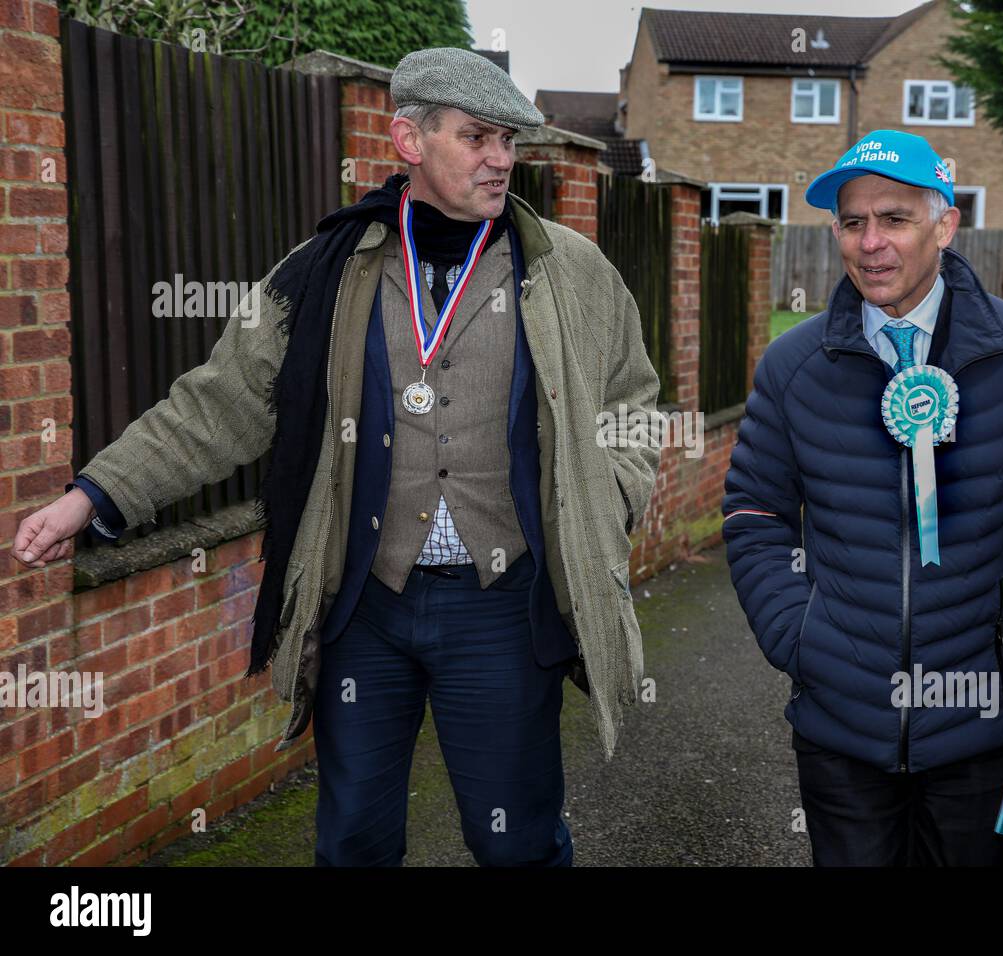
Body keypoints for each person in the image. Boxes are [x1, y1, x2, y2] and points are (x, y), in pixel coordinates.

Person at [12, 48, 661, 867]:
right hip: (365, 608)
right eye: (477, 137)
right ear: (408, 139)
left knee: (517, 840)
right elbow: (217, 404)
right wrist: (92, 497)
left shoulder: (569, 272)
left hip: (504, 605)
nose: (501, 159)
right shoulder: (325, 271)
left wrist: (611, 498)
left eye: (509, 141)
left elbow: (636, 402)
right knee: (352, 837)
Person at [721, 129, 1003, 866]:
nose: (870, 243)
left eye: (895, 218)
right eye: (852, 222)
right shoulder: (793, 365)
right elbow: (755, 515)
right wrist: (800, 639)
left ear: (944, 225)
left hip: (985, 728)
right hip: (839, 730)